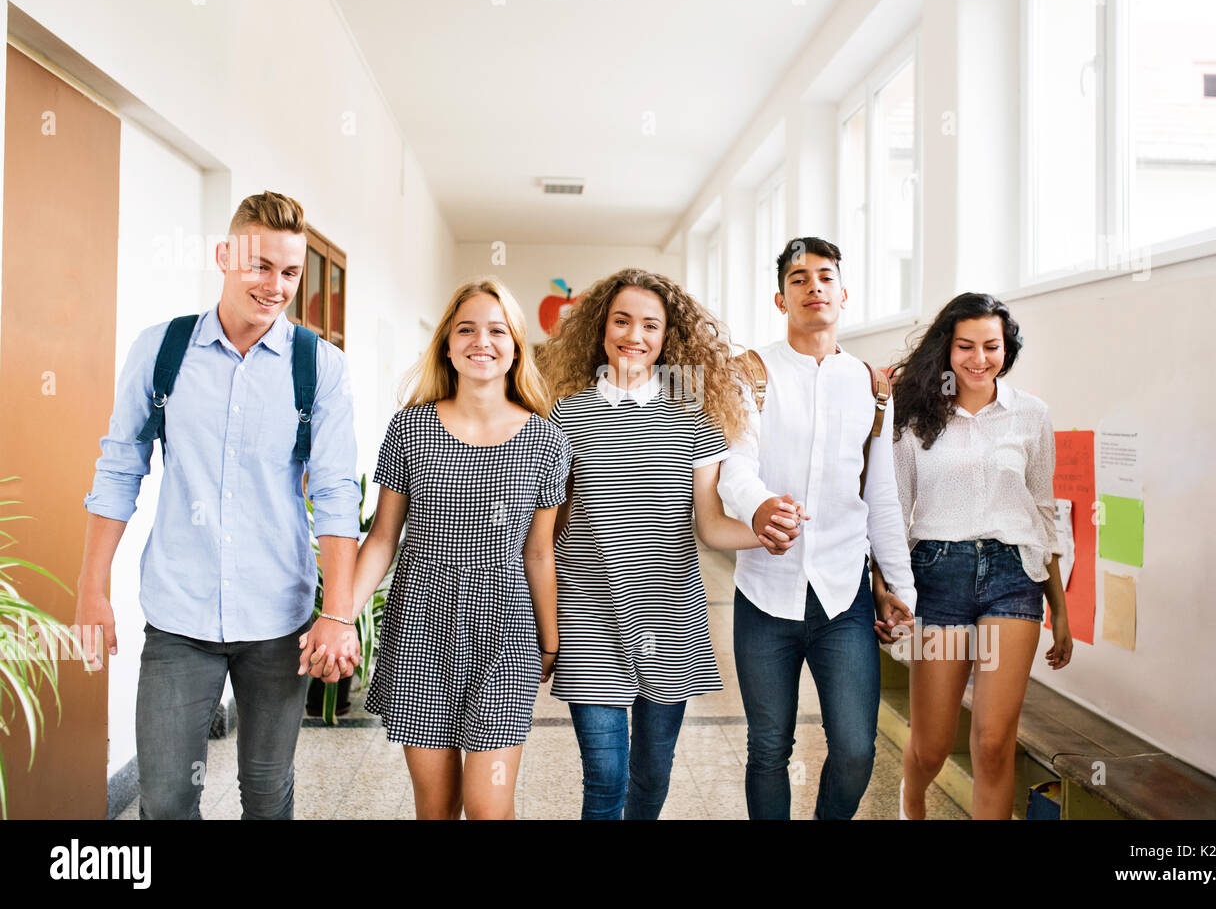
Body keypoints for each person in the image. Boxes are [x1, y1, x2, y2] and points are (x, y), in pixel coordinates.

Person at [76, 191, 361, 820]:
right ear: (225, 256)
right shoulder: (163, 351)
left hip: (277, 619)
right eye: (260, 266)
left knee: (266, 794)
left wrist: (337, 612)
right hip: (180, 616)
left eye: (290, 272)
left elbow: (338, 492)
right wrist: (91, 589)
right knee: (168, 798)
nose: (276, 286)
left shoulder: (319, 367)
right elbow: (120, 467)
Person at [537, 268, 795, 820]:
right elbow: (546, 531)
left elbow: (710, 525)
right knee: (604, 778)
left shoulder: (695, 416)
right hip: (587, 616)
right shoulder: (562, 413)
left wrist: (764, 534)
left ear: (667, 336)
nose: (635, 335)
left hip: (669, 622)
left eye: (650, 325)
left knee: (652, 776)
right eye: (622, 321)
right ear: (600, 329)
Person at [341, 278, 570, 820]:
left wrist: (552, 637)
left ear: (515, 346)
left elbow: (539, 553)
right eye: (466, 329)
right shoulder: (410, 428)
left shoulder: (545, 438)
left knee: (490, 808)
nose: (481, 340)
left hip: (506, 633)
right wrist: (341, 614)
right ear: (446, 344)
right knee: (437, 807)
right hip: (418, 628)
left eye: (497, 330)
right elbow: (382, 537)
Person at [716, 236, 917, 820]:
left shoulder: (874, 389)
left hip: (844, 596)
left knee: (855, 748)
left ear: (844, 294)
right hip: (764, 595)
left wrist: (900, 588)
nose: (813, 287)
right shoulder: (750, 375)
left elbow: (880, 496)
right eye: (799, 279)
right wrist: (759, 507)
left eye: (825, 277)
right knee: (769, 748)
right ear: (781, 299)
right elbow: (736, 467)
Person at [891, 292, 1073, 820]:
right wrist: (892, 592)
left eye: (990, 346)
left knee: (994, 744)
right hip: (938, 576)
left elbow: (1043, 513)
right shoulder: (913, 415)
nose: (979, 358)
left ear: (1006, 349)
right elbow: (894, 513)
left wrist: (1059, 609)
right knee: (931, 745)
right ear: (946, 350)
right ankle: (913, 799)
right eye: (965, 346)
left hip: (1014, 577)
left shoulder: (1031, 415)